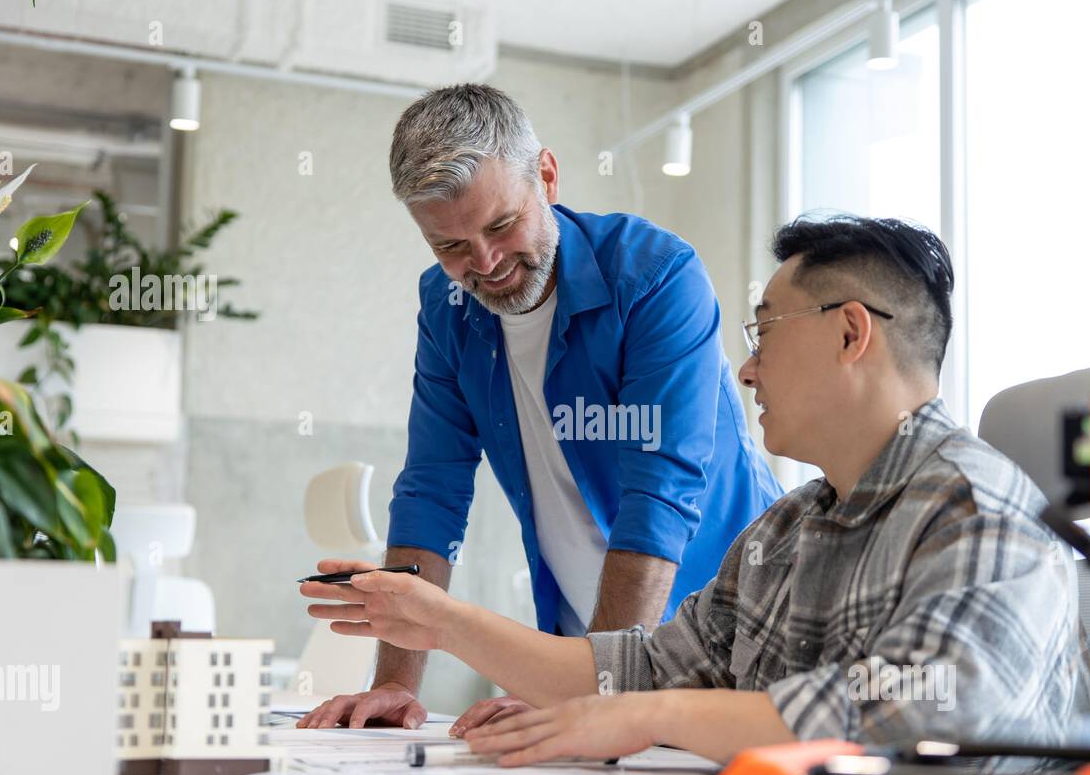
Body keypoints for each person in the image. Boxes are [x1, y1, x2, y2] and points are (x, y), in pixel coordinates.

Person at [300, 214, 1090, 769]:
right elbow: (643, 668)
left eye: (765, 332)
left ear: (852, 331)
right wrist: (441, 622)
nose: (746, 370)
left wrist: (642, 718)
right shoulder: (787, 529)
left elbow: (918, 712)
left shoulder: (981, 507)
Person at [298, 85, 780, 732]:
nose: (487, 263)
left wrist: (598, 696)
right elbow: (432, 490)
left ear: (546, 177)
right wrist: (392, 684)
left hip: (731, 642)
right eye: (451, 247)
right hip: (593, 652)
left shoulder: (655, 278)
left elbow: (657, 497)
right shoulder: (448, 308)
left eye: (501, 226)